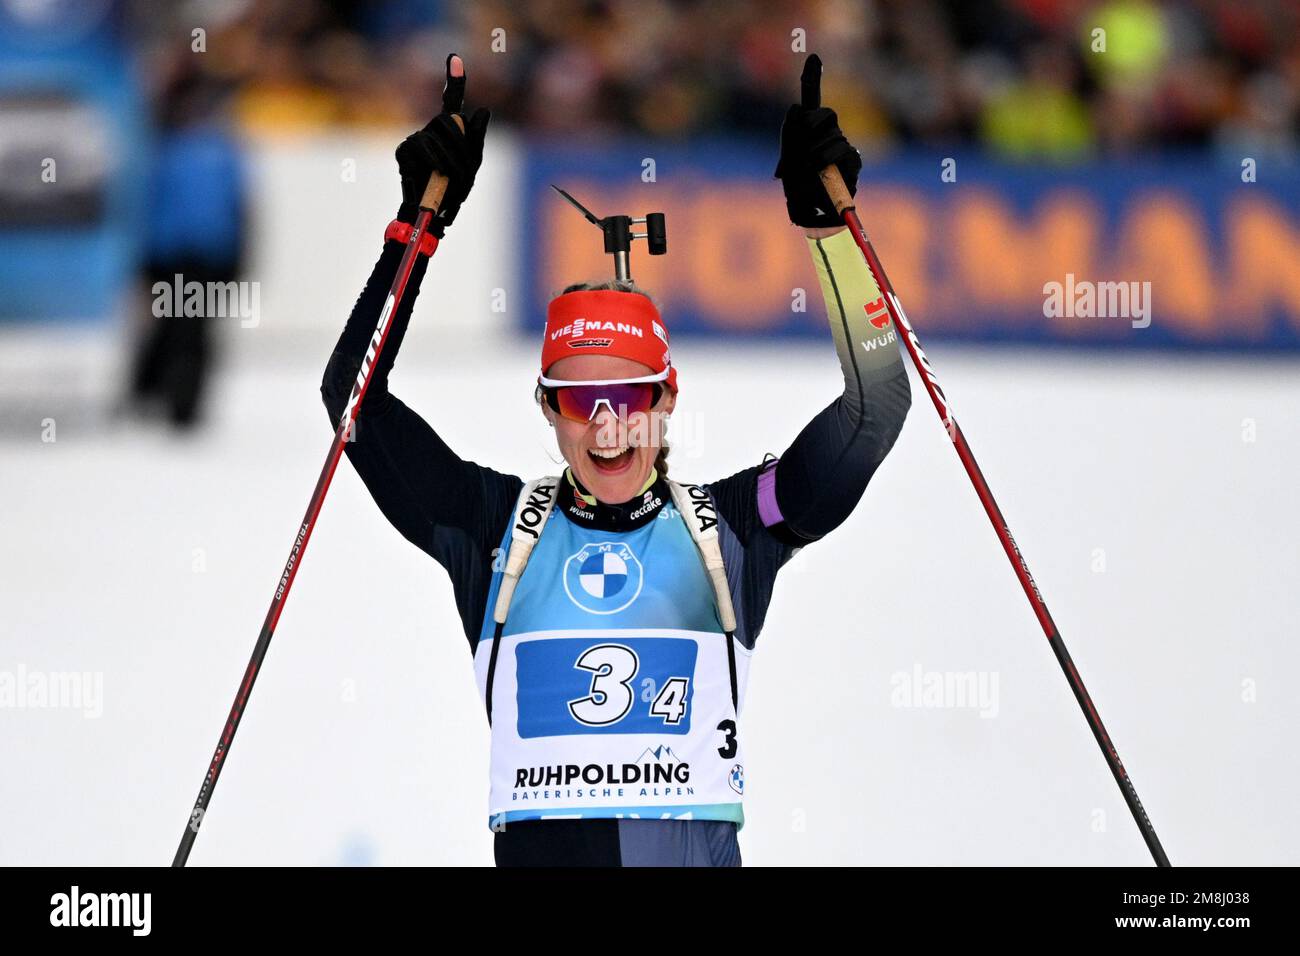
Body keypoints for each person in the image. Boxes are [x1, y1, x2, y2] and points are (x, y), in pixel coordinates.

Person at [321, 54, 911, 867]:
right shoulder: (494, 530)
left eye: (631, 397)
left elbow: (875, 407)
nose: (606, 429)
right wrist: (413, 234)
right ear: (545, 407)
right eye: (576, 401)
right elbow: (354, 399)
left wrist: (829, 229)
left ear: (669, 398)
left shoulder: (733, 528)